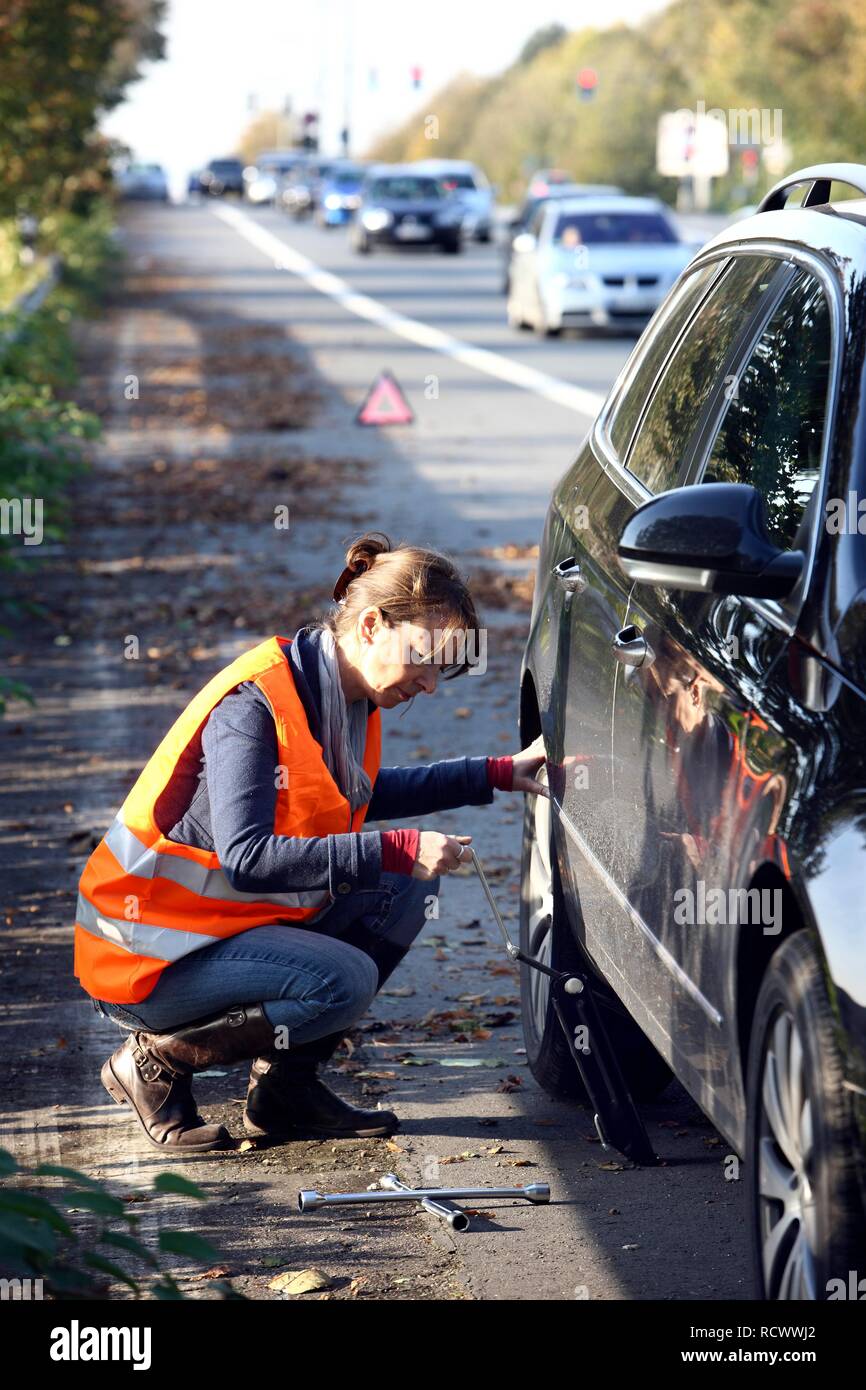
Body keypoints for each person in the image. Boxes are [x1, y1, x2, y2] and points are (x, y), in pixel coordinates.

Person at [73, 532, 547, 1153]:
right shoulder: (255, 706)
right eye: (426, 657)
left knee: (404, 887)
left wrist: (495, 772)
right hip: (145, 959)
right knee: (343, 979)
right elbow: (247, 858)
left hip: (214, 932)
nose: (431, 683)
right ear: (373, 625)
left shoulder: (339, 697)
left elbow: (353, 798)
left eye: (444, 667)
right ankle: (155, 1061)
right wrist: (395, 847)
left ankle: (284, 1093)